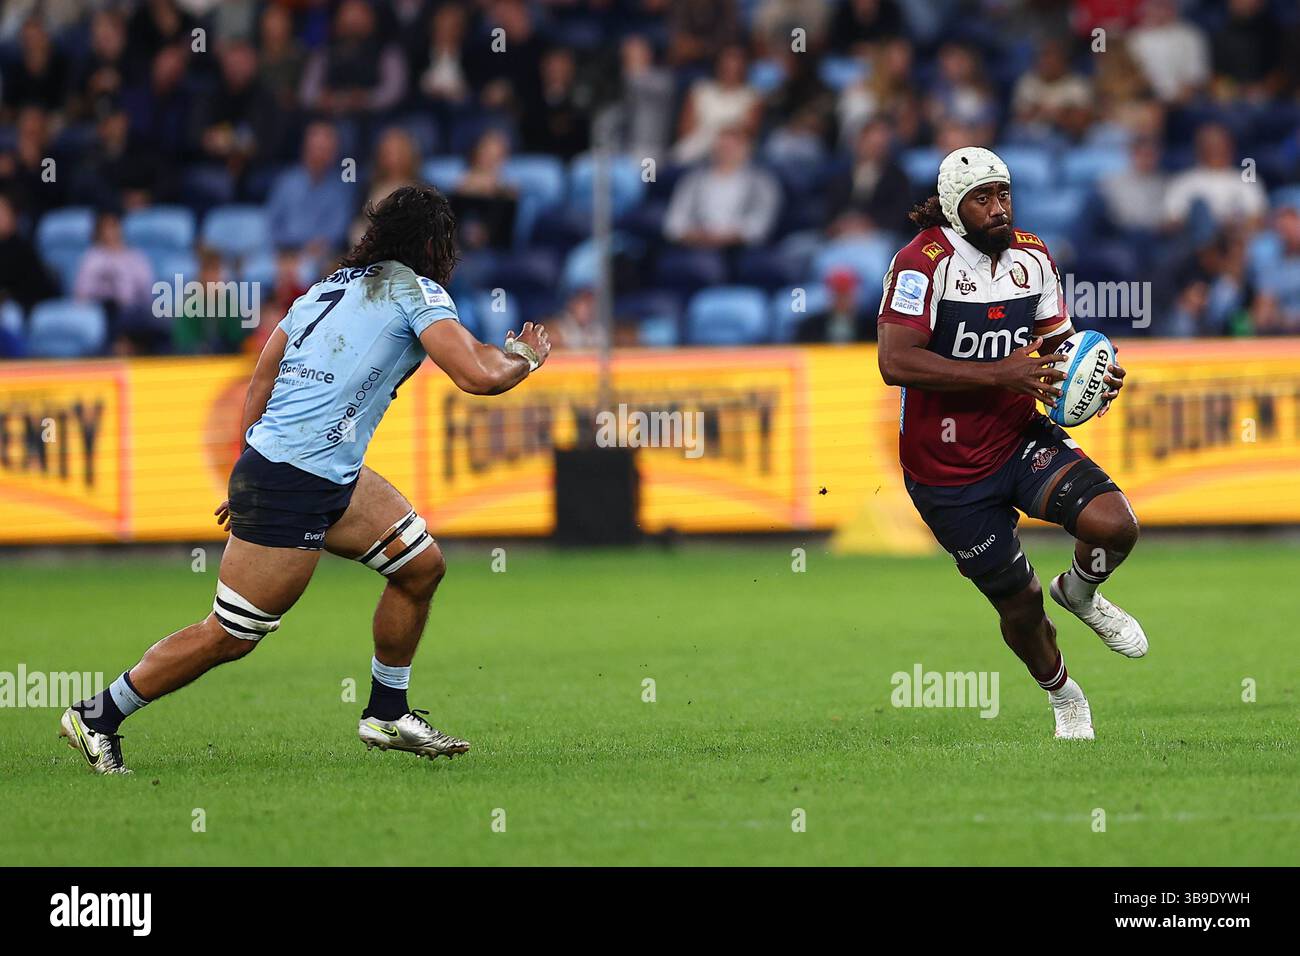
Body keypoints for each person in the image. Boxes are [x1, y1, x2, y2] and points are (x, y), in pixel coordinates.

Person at [60, 185, 552, 774]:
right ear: (432, 244)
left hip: (314, 472)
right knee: (230, 635)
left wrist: (247, 463)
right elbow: (478, 376)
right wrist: (526, 358)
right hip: (296, 480)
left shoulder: (326, 288)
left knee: (420, 567)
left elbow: (262, 375)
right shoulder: (416, 292)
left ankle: (386, 711)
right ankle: (99, 715)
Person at [875, 147, 1144, 741]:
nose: (998, 209)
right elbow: (894, 362)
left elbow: (1056, 349)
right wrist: (1003, 374)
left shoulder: (1032, 255)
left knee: (1114, 525)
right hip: (946, 470)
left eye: (1003, 194)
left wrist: (1092, 376)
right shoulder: (921, 263)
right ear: (953, 207)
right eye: (982, 199)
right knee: (1020, 604)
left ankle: (1080, 591)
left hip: (1018, 436)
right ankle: (1065, 696)